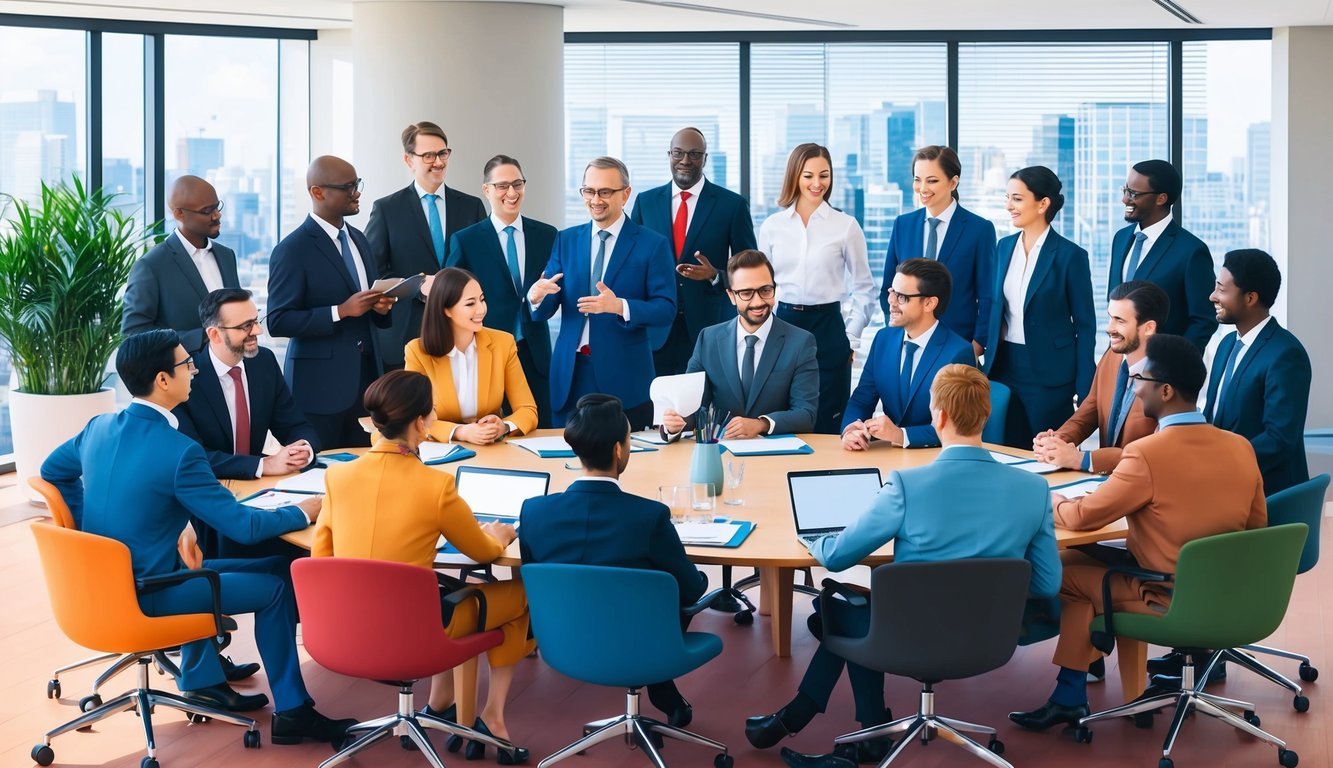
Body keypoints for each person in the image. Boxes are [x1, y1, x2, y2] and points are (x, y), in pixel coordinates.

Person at [40, 329, 354, 745]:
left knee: (281, 566)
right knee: (277, 588)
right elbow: (242, 526)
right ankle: (294, 712)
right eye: (187, 365)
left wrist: (89, 534)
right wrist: (303, 510)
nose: (196, 371)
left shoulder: (99, 427)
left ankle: (203, 677)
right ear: (163, 380)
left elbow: (52, 471)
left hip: (105, 584)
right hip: (150, 592)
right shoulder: (179, 451)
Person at [748, 365, 1061, 768]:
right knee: (854, 611)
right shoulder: (1034, 490)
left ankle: (835, 720)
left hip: (910, 638)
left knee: (841, 611)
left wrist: (816, 538)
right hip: (990, 637)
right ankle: (837, 722)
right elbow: (1048, 583)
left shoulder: (907, 486)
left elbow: (839, 555)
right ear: (985, 415)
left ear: (940, 417)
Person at [1010, 334, 1266, 732]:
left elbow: (1080, 518)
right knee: (1083, 565)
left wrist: (1040, 499)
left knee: (1063, 569)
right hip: (1230, 594)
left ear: (1164, 390)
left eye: (1139, 378)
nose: (1133, 386)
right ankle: (1080, 696)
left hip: (1165, 597)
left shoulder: (1147, 453)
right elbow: (1256, 531)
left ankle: (1077, 697)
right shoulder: (1239, 447)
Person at [313, 370, 533, 764]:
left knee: (432, 589)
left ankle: (440, 701)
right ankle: (494, 718)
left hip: (346, 629)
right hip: (415, 636)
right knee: (519, 595)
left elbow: (321, 560)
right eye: (431, 413)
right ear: (419, 422)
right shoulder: (435, 487)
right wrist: (499, 535)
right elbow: (482, 552)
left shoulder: (337, 477)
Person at [520, 393, 706, 731]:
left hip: (565, 644)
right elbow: (691, 591)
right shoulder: (648, 517)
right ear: (620, 450)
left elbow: (534, 580)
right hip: (642, 645)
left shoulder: (534, 512)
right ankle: (660, 684)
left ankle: (662, 688)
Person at [527, 156, 675, 429]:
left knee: (630, 465)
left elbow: (666, 308)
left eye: (605, 192)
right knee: (563, 464)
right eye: (589, 191)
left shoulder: (652, 244)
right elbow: (548, 303)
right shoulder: (566, 239)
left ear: (626, 194)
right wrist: (536, 298)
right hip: (570, 375)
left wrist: (619, 306)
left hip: (625, 377)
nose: (595, 199)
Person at [175, 288, 320, 559]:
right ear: (214, 334)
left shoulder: (263, 362)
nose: (257, 331)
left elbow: (294, 424)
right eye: (245, 326)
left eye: (256, 320)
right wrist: (264, 464)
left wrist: (304, 448)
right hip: (210, 502)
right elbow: (195, 457)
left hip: (260, 495)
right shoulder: (187, 378)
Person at [267, 155, 395, 450]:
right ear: (317, 192)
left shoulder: (359, 240)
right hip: (319, 389)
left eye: (357, 184)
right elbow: (277, 320)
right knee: (319, 477)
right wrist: (339, 311)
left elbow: (369, 310)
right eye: (348, 187)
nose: (357, 193)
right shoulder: (292, 249)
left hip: (368, 386)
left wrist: (381, 309)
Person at [758, 143, 877, 434]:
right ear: (795, 176)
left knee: (827, 419)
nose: (817, 183)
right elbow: (763, 287)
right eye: (808, 175)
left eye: (824, 175)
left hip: (828, 326)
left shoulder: (846, 226)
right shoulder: (772, 227)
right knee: (780, 415)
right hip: (783, 325)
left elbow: (865, 287)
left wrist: (850, 337)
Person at [981, 166, 1096, 448]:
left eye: (1017, 199)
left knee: (1048, 453)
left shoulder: (1071, 256)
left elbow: (1085, 325)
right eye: (1007, 197)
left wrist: (1086, 388)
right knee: (1004, 449)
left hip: (1050, 375)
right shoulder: (1003, 247)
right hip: (1004, 367)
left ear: (1043, 203)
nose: (1009, 206)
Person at [630, 127, 759, 376]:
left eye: (694, 154)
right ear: (669, 155)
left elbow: (750, 270)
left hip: (708, 328)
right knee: (657, 409)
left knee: (702, 409)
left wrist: (715, 275)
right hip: (656, 329)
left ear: (705, 158)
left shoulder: (731, 205)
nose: (685, 161)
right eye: (678, 153)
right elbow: (632, 261)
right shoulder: (646, 202)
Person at [446, 155, 558, 427]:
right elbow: (448, 295)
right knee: (491, 432)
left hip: (535, 353)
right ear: (487, 190)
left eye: (518, 184)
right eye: (502, 186)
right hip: (486, 352)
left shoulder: (547, 234)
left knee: (538, 427)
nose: (512, 193)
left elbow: (555, 291)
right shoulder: (467, 239)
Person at [367, 121, 488, 371]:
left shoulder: (471, 206)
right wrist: (418, 284)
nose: (439, 162)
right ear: (409, 160)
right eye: (429, 155)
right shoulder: (387, 209)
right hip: (406, 333)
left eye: (443, 153)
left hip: (463, 331)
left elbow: (483, 265)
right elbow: (374, 271)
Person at [661, 249, 817, 439]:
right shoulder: (708, 339)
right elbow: (694, 407)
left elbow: (806, 414)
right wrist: (676, 423)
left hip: (777, 454)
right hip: (721, 451)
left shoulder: (801, 342)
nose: (758, 301)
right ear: (731, 296)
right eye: (746, 293)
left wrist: (761, 424)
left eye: (765, 290)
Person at [1204, 248, 1312, 494]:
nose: (1212, 296)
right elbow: (1214, 417)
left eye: (1221, 289)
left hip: (1266, 493)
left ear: (1250, 298)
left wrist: (1219, 463)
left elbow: (1279, 439)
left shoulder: (1285, 354)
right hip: (1221, 485)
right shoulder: (1226, 345)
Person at [1033, 280, 1167, 473]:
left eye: (1120, 321)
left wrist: (1082, 459)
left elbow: (1154, 454)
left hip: (1143, 483)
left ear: (1148, 328)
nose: (1109, 328)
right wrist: (1058, 441)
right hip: (1102, 481)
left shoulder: (1169, 378)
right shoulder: (1112, 356)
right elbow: (1091, 408)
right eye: (1110, 318)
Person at [843, 258, 975, 451]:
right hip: (888, 456)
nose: (890, 301)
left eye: (901, 297)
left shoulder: (958, 353)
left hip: (934, 459)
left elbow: (958, 427)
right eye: (891, 292)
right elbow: (862, 399)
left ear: (929, 303)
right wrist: (851, 430)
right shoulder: (883, 339)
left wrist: (901, 435)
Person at [878, 146, 996, 359]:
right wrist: (897, 329)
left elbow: (988, 297)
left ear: (953, 182)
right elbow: (888, 287)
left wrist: (976, 346)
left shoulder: (979, 230)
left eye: (932, 180)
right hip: (907, 344)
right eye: (917, 179)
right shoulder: (903, 225)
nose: (922, 188)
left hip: (957, 344)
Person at [405, 267, 538, 445]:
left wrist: (504, 427)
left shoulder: (503, 343)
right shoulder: (417, 351)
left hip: (493, 449)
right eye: (470, 303)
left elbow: (528, 409)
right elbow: (412, 418)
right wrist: (460, 432)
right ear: (446, 310)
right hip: (439, 450)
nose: (481, 309)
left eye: (482, 300)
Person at [1107, 160, 1217, 353]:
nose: (1125, 199)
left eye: (1134, 194)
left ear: (1161, 199)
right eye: (1125, 190)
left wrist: (1173, 365)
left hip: (1161, 367)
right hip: (1118, 360)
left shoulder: (1191, 251)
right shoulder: (1121, 238)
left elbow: (1203, 320)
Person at [122, 175, 240, 353]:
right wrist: (200, 337)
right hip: (186, 376)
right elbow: (134, 332)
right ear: (179, 214)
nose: (217, 215)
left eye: (217, 206)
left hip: (233, 371)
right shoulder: (152, 265)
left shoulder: (226, 256)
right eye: (207, 211)